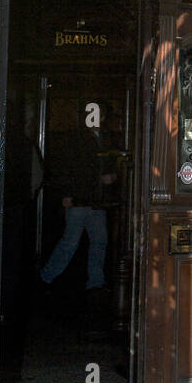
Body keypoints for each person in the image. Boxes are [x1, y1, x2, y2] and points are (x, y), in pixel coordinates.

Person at [40, 121, 117, 291]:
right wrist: (68, 194)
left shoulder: (100, 137)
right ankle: (48, 276)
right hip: (83, 197)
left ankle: (93, 280)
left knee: (94, 240)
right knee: (74, 240)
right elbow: (69, 167)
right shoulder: (84, 139)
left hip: (92, 198)